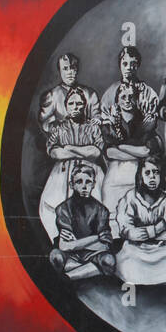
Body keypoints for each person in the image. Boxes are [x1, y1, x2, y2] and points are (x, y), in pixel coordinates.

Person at [113, 156, 166, 286]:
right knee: (128, 265)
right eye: (147, 173)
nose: (152, 177)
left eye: (156, 173)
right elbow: (125, 227)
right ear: (140, 176)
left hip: (163, 249)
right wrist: (156, 229)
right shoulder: (130, 198)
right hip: (137, 249)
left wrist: (146, 233)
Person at [38, 88, 105, 240]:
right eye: (72, 103)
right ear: (66, 106)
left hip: (90, 171)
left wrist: (69, 147)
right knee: (52, 204)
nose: (76, 107)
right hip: (62, 174)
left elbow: (96, 151)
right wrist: (81, 151)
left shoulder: (92, 127)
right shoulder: (59, 127)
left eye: (79, 104)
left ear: (84, 106)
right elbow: (53, 151)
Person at [99, 81, 162, 215]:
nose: (127, 100)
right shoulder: (110, 124)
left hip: (138, 177)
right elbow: (109, 152)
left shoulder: (146, 122)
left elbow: (147, 150)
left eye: (131, 97)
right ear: (117, 100)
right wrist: (137, 152)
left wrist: (121, 146)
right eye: (123, 97)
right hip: (115, 178)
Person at [48, 164, 117, 280]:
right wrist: (96, 238)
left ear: (94, 184)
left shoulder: (101, 210)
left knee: (109, 261)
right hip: (71, 255)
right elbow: (65, 246)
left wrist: (76, 244)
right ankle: (86, 271)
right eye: (79, 182)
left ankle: (69, 276)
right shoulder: (63, 208)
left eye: (88, 182)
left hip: (92, 254)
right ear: (72, 185)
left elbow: (104, 246)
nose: (84, 186)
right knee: (55, 257)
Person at [38, 53, 100, 139]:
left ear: (77, 70)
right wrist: (58, 130)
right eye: (65, 69)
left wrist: (96, 121)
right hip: (62, 140)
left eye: (72, 68)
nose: (69, 72)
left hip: (87, 139)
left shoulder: (90, 94)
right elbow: (45, 122)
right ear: (60, 71)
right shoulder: (52, 95)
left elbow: (96, 116)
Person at [99, 45, 160, 117]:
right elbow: (104, 113)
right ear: (120, 65)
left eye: (133, 64)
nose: (129, 68)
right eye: (125, 64)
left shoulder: (148, 92)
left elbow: (153, 115)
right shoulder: (111, 92)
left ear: (138, 65)